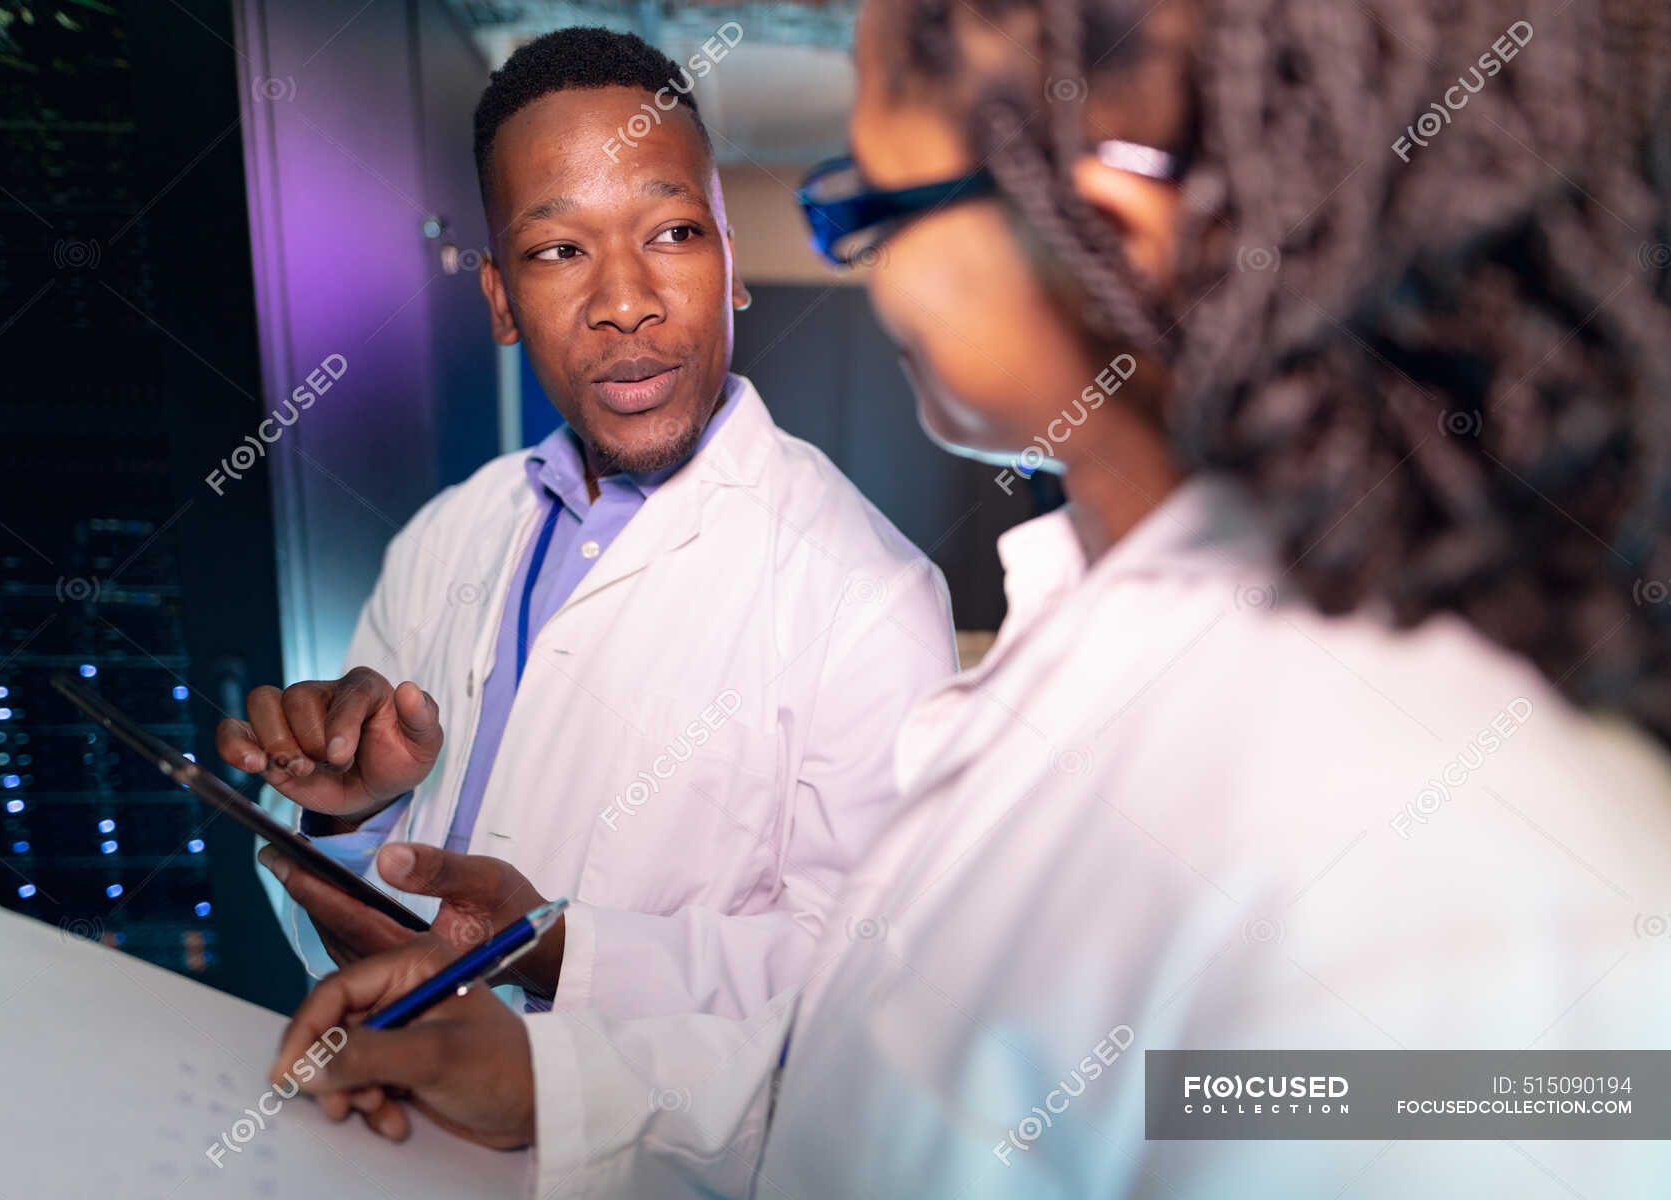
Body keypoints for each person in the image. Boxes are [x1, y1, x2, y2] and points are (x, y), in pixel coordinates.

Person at [268, 0, 1671, 1195]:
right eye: (559, 249)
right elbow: (880, 1078)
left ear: (1108, 229)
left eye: (869, 209)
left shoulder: (1460, 896)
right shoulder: (1096, 640)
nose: (872, 281)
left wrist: (573, 1044)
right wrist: (551, 1069)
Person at [218, 26, 956, 1021]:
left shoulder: (871, 596)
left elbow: (863, 990)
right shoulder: (447, 537)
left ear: (731, 262)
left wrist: (559, 954)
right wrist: (350, 811)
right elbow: (343, 930)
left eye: (672, 234)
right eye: (559, 250)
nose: (625, 302)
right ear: (501, 300)